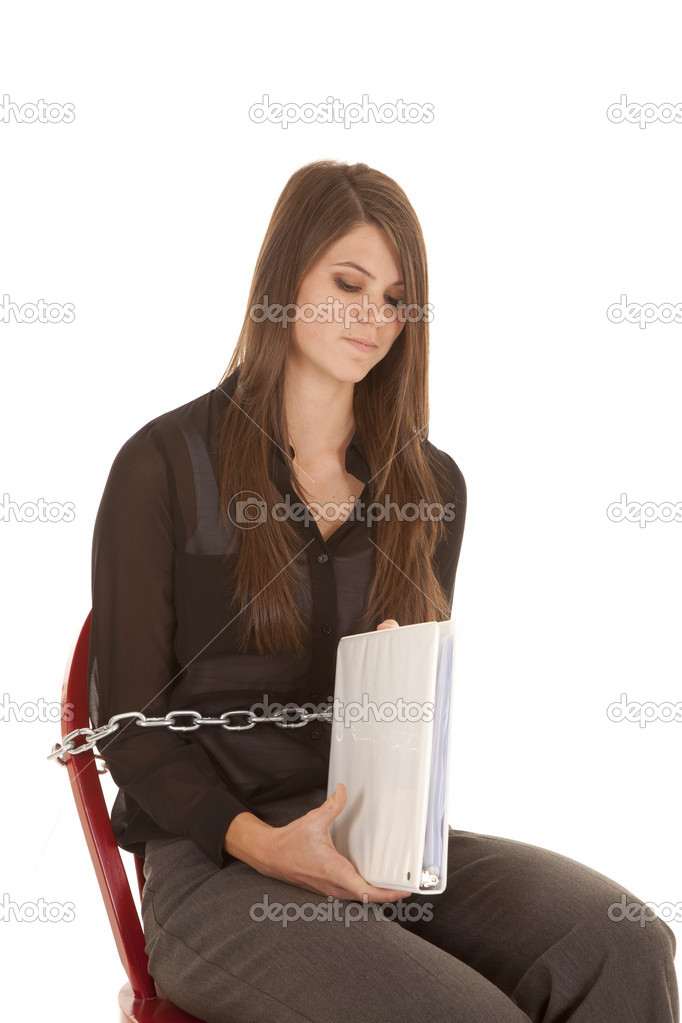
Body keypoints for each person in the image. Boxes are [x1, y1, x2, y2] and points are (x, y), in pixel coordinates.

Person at [88, 160, 678, 1022]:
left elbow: (407, 719)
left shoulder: (431, 486)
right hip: (215, 871)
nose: (374, 317)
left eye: (396, 298)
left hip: (375, 848)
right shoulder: (165, 465)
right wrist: (268, 846)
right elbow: (129, 729)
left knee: (621, 942)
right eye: (349, 282)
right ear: (286, 273)